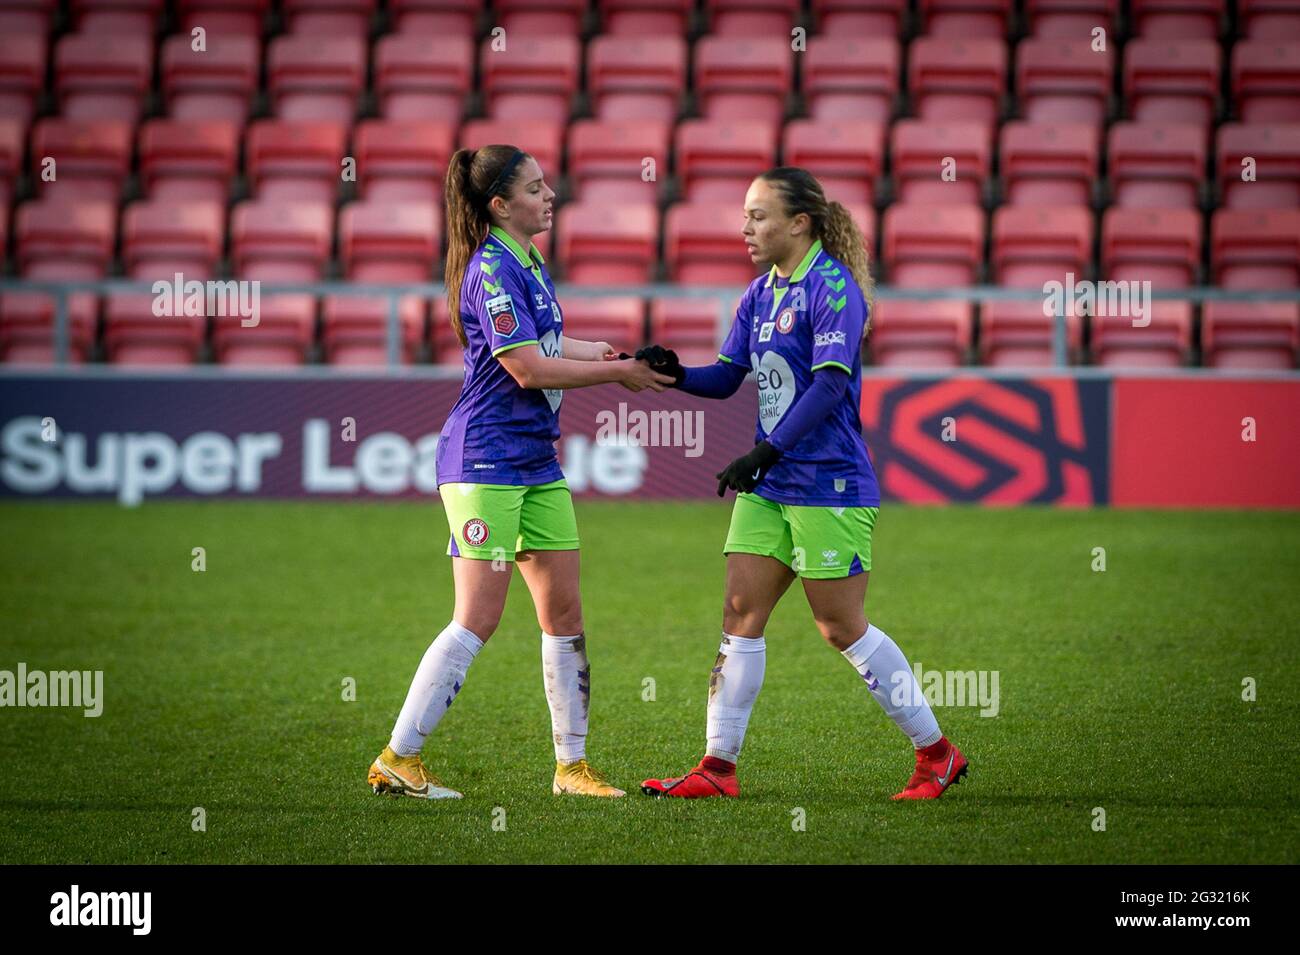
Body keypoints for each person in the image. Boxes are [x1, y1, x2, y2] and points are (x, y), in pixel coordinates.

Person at [637, 167, 969, 800]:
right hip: (770, 485)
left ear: (800, 222)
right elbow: (727, 376)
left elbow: (830, 385)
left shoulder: (833, 288)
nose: (745, 227)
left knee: (840, 626)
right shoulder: (758, 294)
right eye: (745, 214)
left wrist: (765, 450)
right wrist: (675, 374)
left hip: (828, 482)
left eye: (758, 215)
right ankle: (717, 769)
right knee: (740, 615)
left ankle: (937, 754)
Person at [367, 144, 674, 800]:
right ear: (501, 205)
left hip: (536, 459)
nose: (549, 195)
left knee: (565, 613)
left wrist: (603, 352)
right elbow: (528, 369)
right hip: (485, 459)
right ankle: (399, 757)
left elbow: (547, 346)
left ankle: (571, 769)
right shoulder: (492, 269)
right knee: (478, 617)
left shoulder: (528, 260)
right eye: (535, 189)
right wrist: (618, 374)